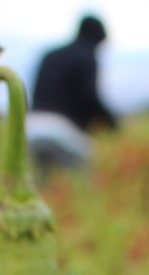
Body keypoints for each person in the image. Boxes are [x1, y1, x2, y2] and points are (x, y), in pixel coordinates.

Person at [28, 16, 118, 169]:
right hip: (62, 132)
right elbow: (89, 97)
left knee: (44, 178)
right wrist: (112, 122)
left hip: (33, 130)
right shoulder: (87, 57)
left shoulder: (50, 55)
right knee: (85, 170)